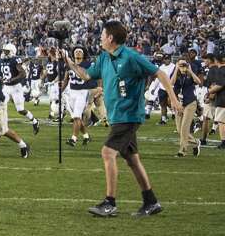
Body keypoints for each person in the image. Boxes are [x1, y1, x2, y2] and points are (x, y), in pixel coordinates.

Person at [65, 20, 179, 217]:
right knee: (132, 159)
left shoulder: (131, 56)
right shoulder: (104, 57)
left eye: (102, 35)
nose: (100, 39)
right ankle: (151, 202)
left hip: (129, 115)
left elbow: (160, 73)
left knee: (107, 152)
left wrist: (173, 98)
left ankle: (109, 203)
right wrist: (68, 61)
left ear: (110, 38)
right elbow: (86, 76)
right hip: (117, 116)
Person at [169, 55, 202, 157]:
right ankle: (196, 142)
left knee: (184, 128)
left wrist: (190, 71)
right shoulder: (175, 74)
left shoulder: (189, 73)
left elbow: (198, 82)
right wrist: (176, 69)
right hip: (179, 104)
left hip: (190, 103)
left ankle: (182, 151)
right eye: (180, 65)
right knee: (179, 130)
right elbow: (171, 83)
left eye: (184, 64)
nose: (183, 66)